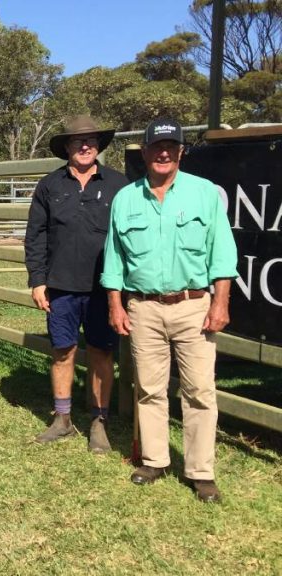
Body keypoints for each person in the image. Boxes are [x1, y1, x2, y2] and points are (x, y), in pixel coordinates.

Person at [102, 118, 237, 503]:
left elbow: (222, 253)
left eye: (171, 146)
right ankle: (155, 460)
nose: (163, 153)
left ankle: (200, 471)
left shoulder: (204, 194)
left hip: (194, 306)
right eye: (156, 146)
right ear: (143, 152)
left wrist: (220, 303)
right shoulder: (126, 199)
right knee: (148, 388)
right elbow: (114, 258)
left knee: (199, 390)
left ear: (180, 151)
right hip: (143, 308)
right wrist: (116, 304)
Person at [25, 115, 129, 452]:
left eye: (90, 140)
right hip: (61, 286)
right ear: (67, 147)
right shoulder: (50, 185)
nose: (84, 146)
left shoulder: (119, 185)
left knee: (102, 352)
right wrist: (38, 280)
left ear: (98, 146)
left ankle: (99, 421)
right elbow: (36, 236)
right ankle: (63, 418)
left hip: (104, 288)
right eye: (77, 141)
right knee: (62, 350)